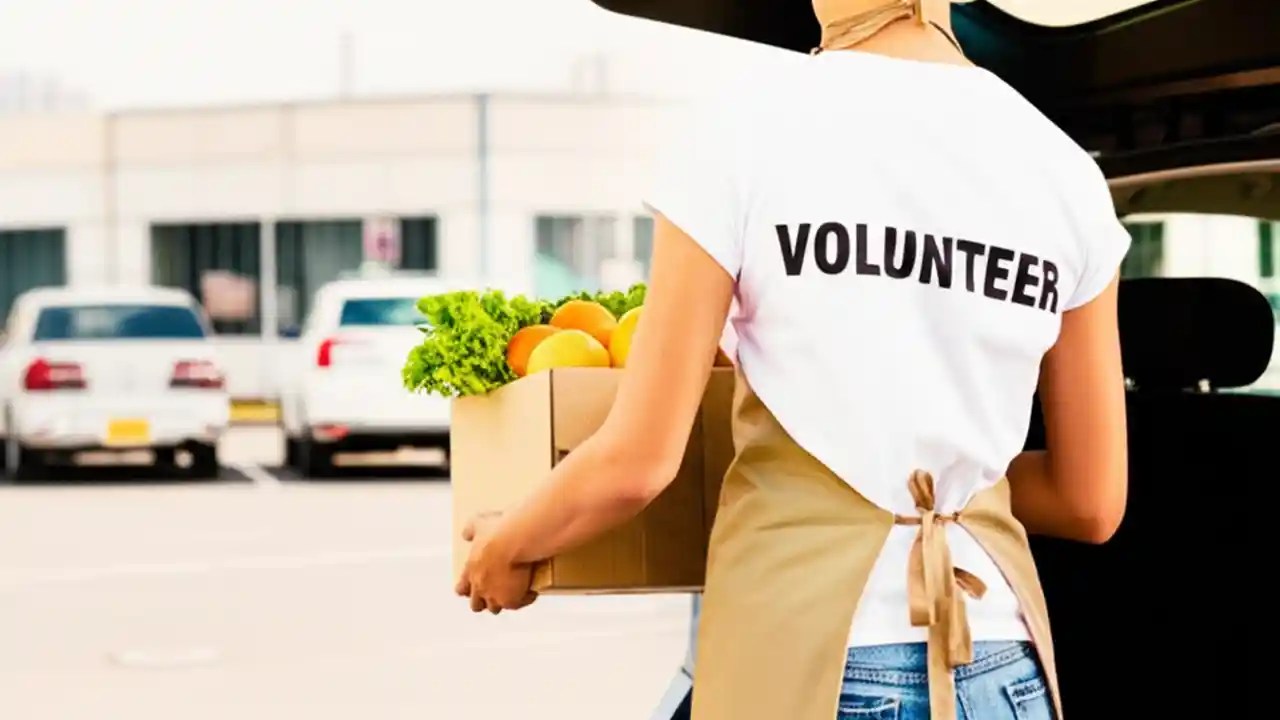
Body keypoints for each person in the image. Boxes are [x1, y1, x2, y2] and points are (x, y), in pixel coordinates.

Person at [455, 0, 1130, 718]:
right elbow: (1089, 501)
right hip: (1003, 666)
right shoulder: (1063, 169)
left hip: (812, 660)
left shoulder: (745, 128)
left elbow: (639, 460)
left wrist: (507, 545)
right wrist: (931, 470)